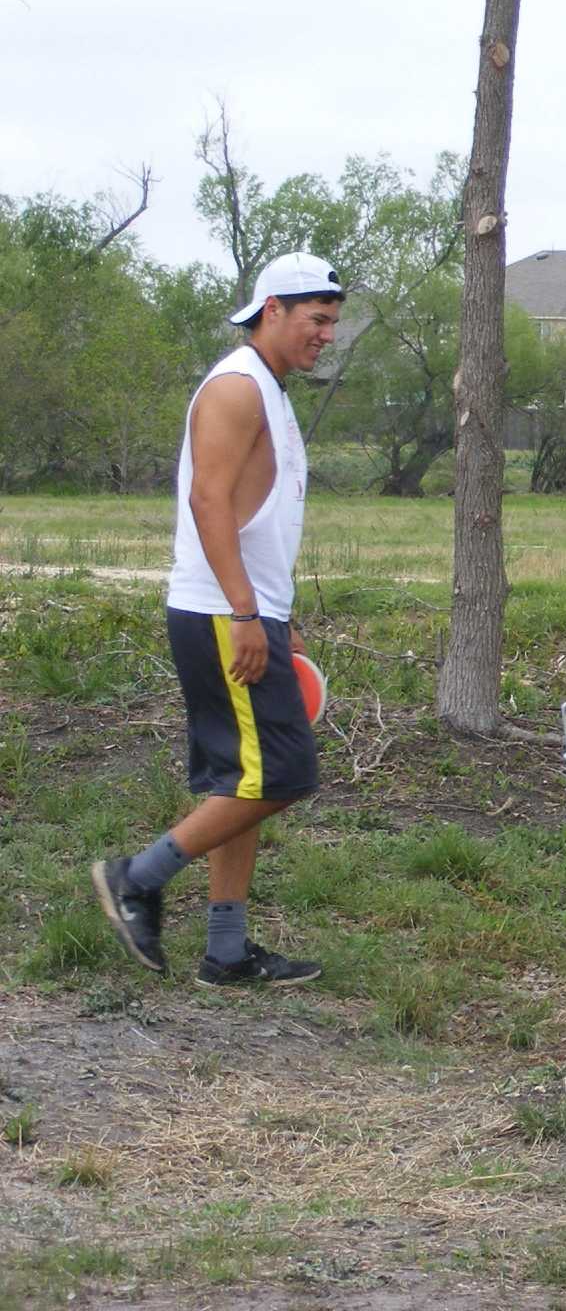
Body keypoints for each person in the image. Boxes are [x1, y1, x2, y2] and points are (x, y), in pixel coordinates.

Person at [92, 253, 345, 987]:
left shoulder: (268, 387)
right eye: (316, 319)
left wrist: (277, 616)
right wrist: (243, 611)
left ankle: (226, 952)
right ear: (273, 310)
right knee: (284, 775)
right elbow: (208, 500)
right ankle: (137, 878)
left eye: (332, 322)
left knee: (243, 780)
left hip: (247, 611)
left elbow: (257, 517)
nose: (327, 335)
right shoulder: (237, 387)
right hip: (218, 612)